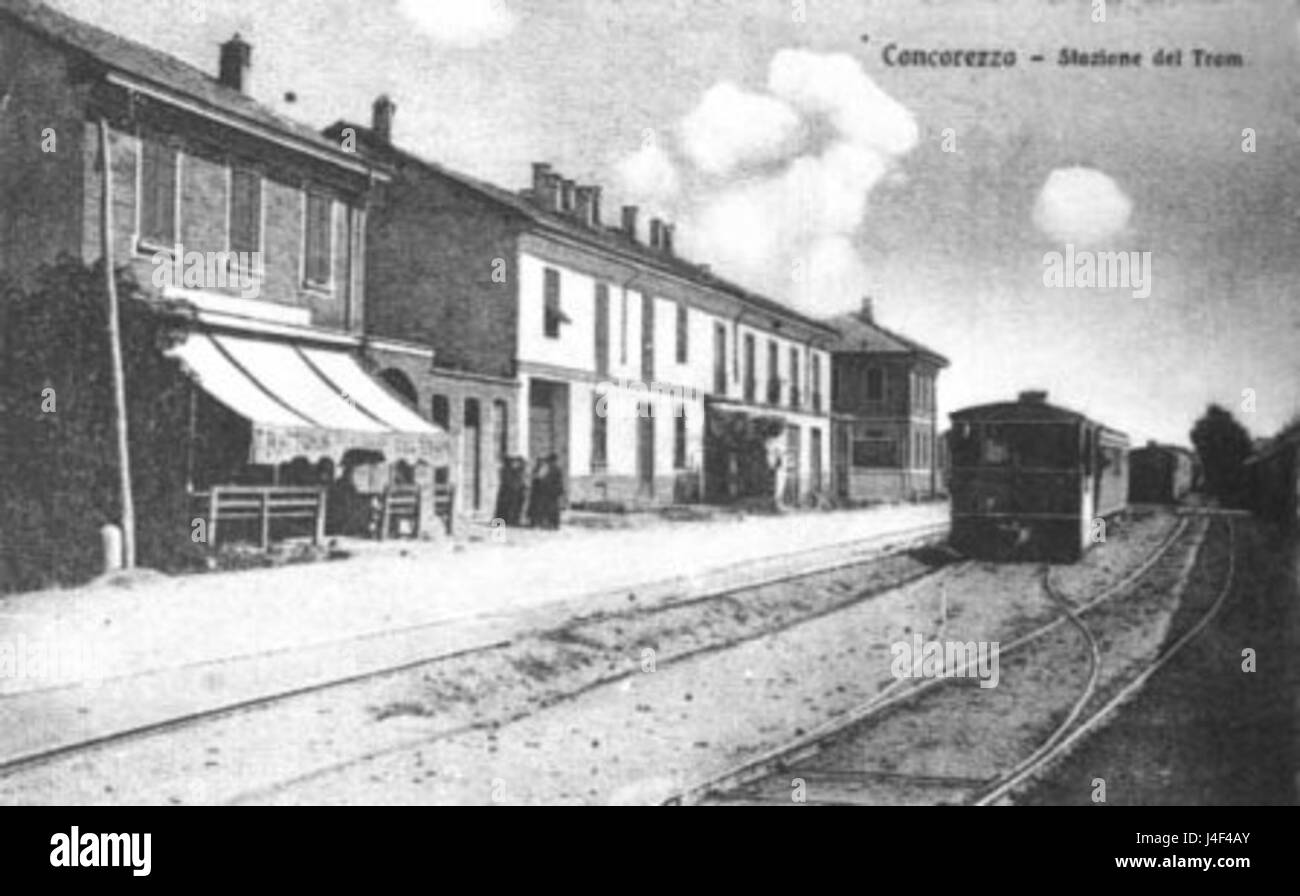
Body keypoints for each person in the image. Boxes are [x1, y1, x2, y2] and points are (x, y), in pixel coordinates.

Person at [542, 452, 565, 529]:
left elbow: (546, 479)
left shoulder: (550, 468)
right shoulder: (557, 468)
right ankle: (555, 524)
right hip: (555, 490)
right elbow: (560, 481)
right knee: (555, 507)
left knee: (550, 507)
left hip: (550, 491)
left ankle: (551, 523)